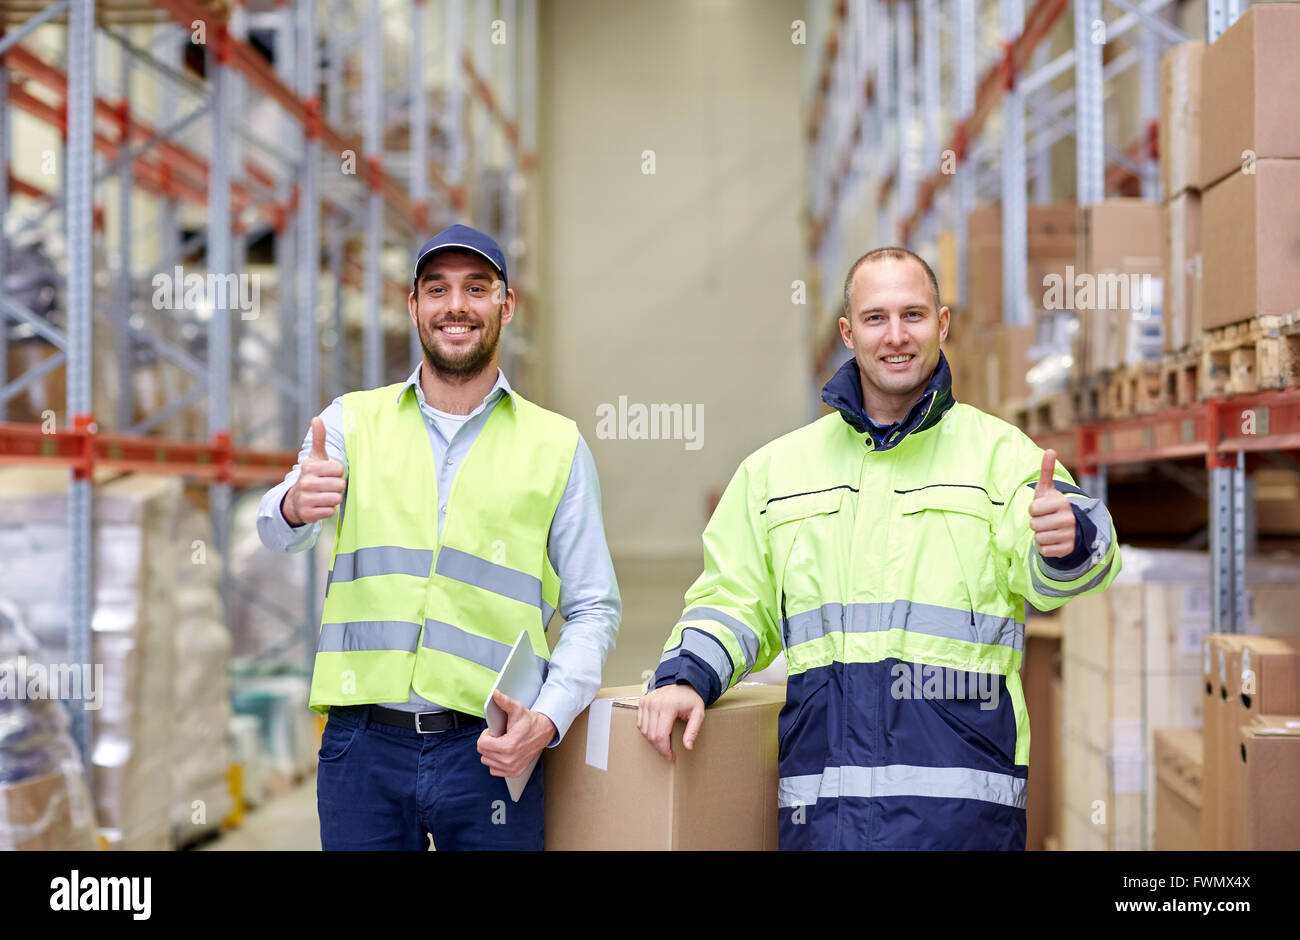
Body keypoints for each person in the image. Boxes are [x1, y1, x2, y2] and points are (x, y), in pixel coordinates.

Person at [636, 246, 1119, 850]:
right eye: (876, 318)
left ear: (942, 325)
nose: (896, 336)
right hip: (825, 815)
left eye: (913, 315)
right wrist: (686, 677)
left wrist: (1067, 539)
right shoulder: (776, 473)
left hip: (961, 820)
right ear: (847, 333)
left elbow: (1073, 564)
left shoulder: (1000, 457)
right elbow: (733, 600)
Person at [257, 224, 620, 850]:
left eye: (476, 289)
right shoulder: (351, 421)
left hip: (489, 749)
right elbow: (277, 531)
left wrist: (548, 720)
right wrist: (292, 505)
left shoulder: (556, 445)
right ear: (414, 306)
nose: (456, 306)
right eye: (437, 289)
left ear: (505, 306)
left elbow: (594, 607)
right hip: (361, 747)